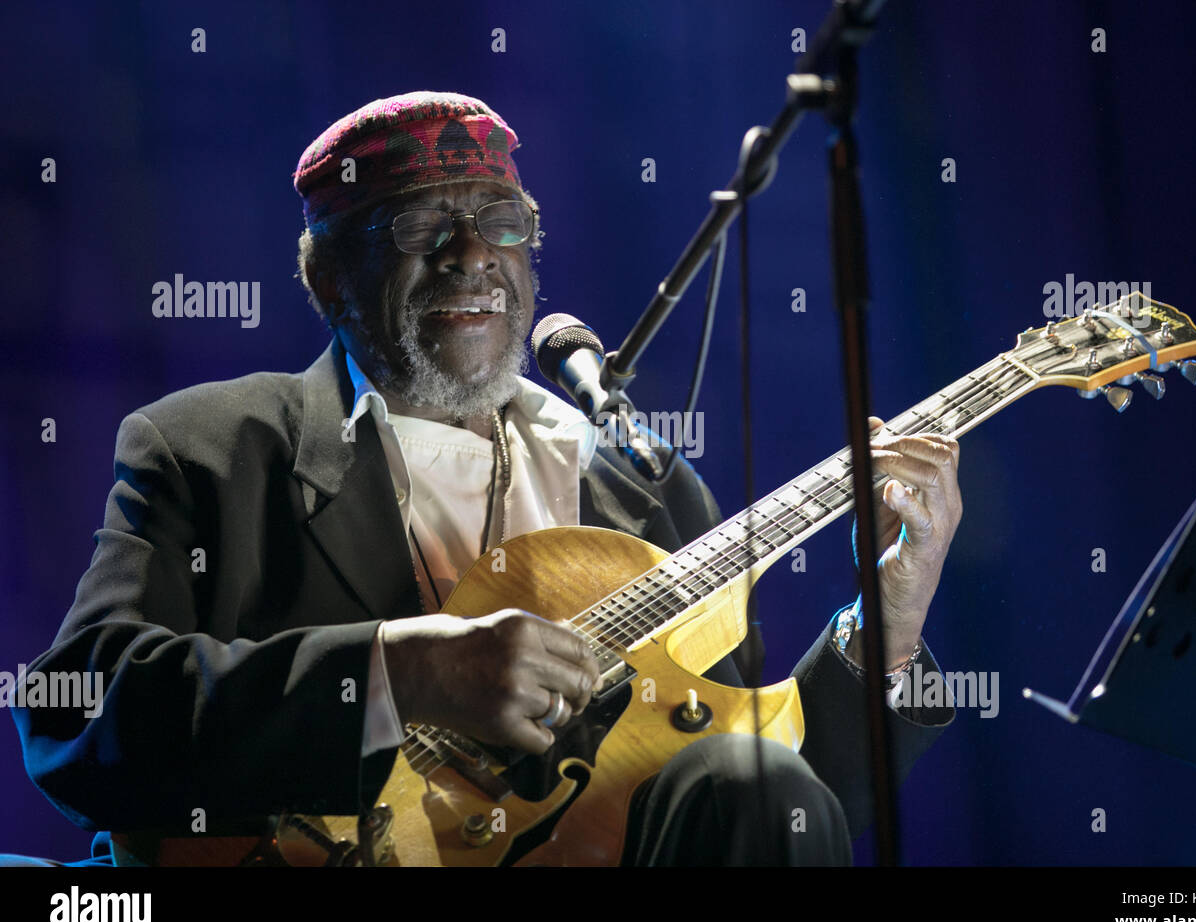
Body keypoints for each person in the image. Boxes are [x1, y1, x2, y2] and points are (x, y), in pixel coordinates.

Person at [11, 92, 962, 866]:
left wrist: (889, 622)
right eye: (422, 223)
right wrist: (405, 672)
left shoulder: (644, 487)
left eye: (498, 222)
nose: (472, 252)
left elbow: (773, 818)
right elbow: (74, 712)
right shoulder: (212, 447)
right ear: (330, 277)